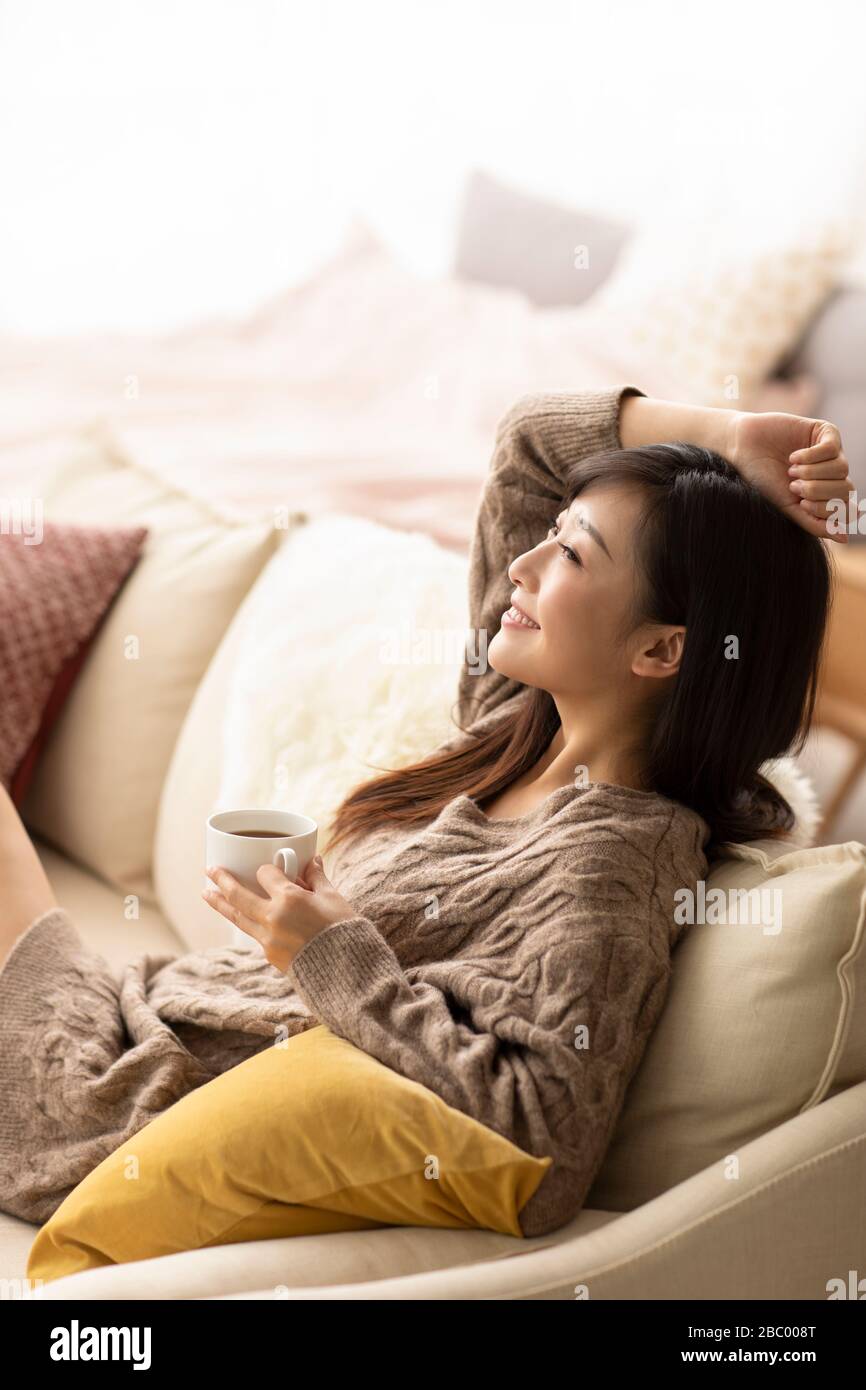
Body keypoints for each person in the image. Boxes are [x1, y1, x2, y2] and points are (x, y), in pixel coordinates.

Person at [0, 385, 850, 1239]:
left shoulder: (609, 866)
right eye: (549, 539)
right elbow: (529, 448)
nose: (524, 566)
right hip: (128, 1012)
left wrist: (333, 957)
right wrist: (732, 438)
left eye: (574, 558)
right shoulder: (512, 723)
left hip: (114, 1105)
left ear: (663, 648)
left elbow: (544, 1145)